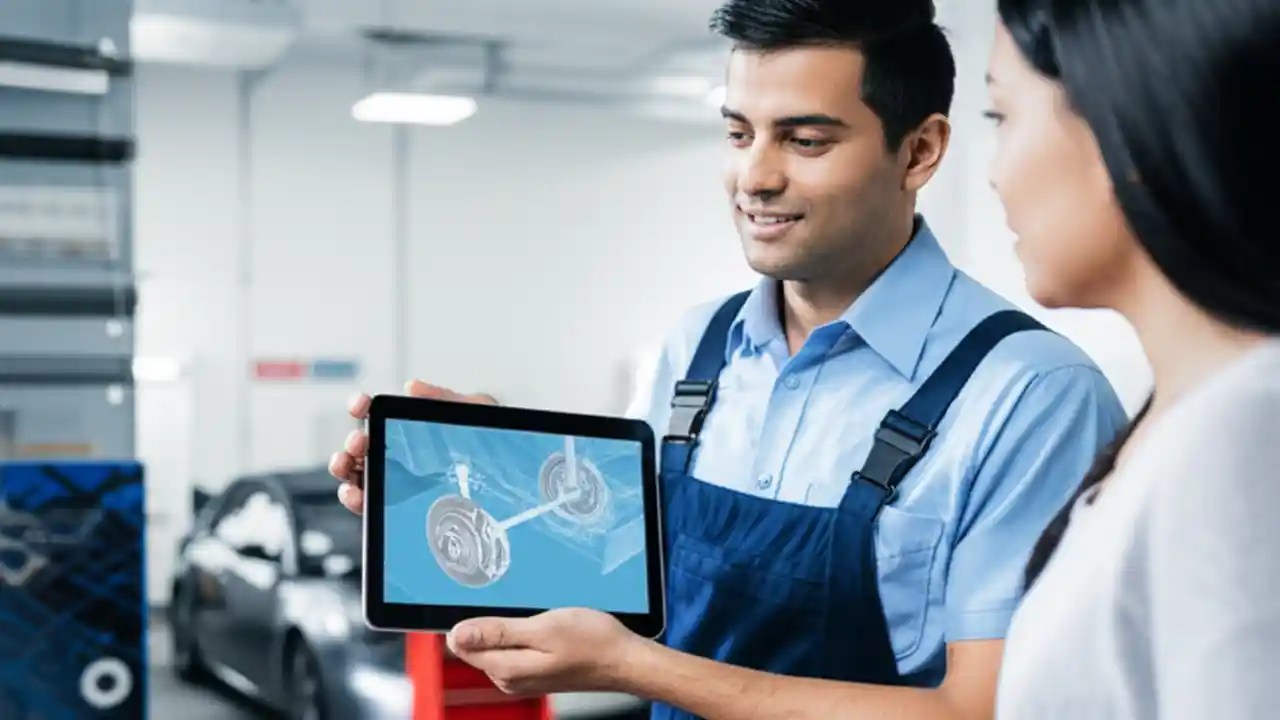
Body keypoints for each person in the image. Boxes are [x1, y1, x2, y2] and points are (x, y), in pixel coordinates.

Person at [331, 1, 1128, 717]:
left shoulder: (1032, 397)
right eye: (739, 133)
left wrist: (639, 671)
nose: (755, 176)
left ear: (918, 152)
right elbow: (615, 570)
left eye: (805, 140)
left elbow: (981, 712)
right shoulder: (698, 348)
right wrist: (497, 464)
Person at [983, 0, 1280, 717]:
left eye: (1002, 118)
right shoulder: (1194, 418)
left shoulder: (1244, 436)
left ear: (1119, 132)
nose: (994, 176)